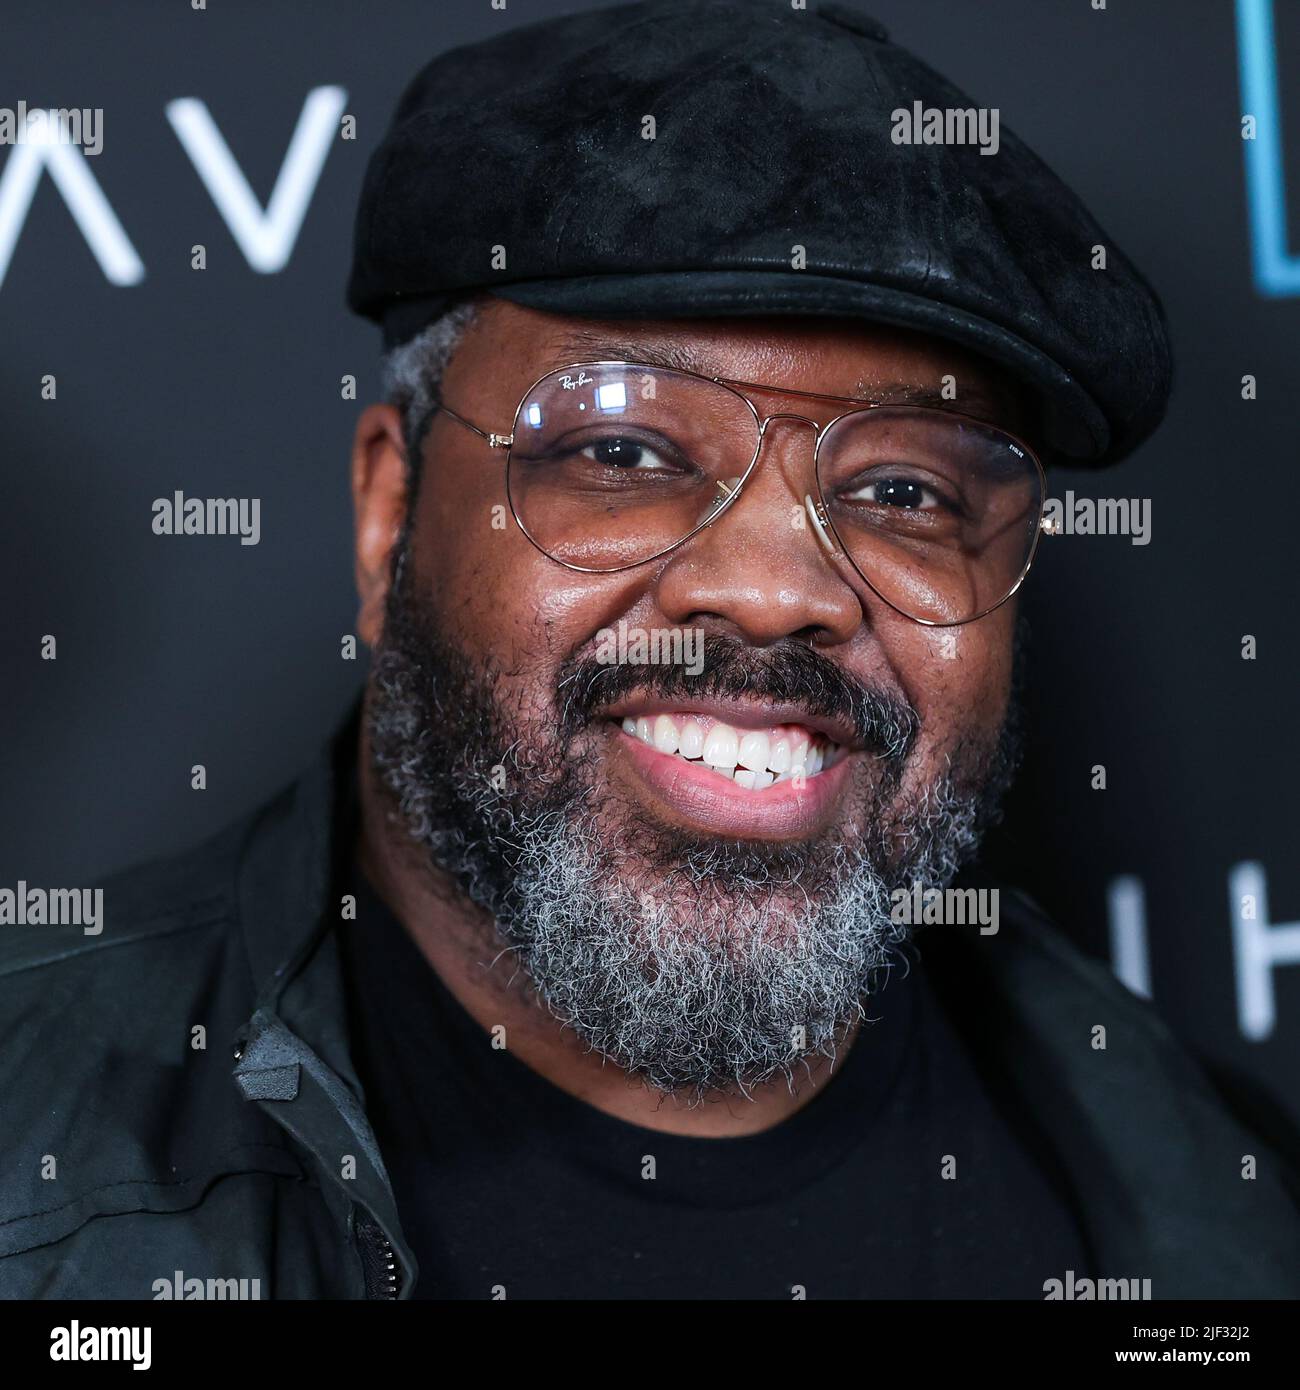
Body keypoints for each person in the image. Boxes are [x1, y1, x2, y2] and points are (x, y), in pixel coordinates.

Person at [2, 0, 1295, 1300]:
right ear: (390, 518)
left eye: (906, 490)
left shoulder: (1225, 1208)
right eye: (620, 451)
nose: (775, 589)